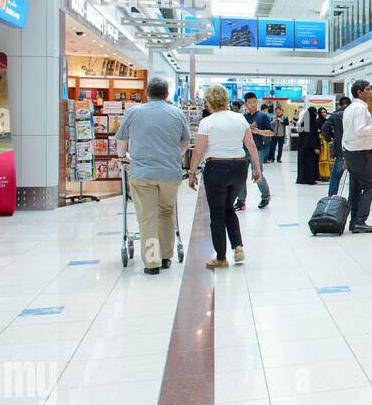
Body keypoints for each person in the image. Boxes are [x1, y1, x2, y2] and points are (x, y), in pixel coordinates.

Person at [112, 77, 190, 274]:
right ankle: (165, 257)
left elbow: (121, 141)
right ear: (166, 94)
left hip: (142, 173)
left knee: (148, 218)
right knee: (166, 212)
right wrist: (172, 155)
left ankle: (152, 262)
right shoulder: (177, 113)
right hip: (169, 174)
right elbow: (185, 142)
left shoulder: (134, 112)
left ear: (147, 93)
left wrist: (123, 157)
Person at [187, 84, 262, 269]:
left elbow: (198, 150)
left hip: (216, 168)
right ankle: (238, 246)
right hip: (239, 167)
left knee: (217, 213)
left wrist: (191, 172)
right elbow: (251, 145)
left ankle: (221, 258)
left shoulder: (208, 121)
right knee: (229, 207)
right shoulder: (239, 118)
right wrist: (257, 168)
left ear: (209, 101)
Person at [343, 81, 372, 234]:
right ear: (359, 92)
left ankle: (354, 222)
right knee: (369, 186)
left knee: (355, 188)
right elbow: (360, 131)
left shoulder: (350, 108)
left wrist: (346, 156)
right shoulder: (360, 109)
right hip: (360, 153)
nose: (371, 92)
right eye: (367, 90)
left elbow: (347, 133)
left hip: (351, 152)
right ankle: (360, 221)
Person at [236, 92, 272, 211]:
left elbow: (271, 132)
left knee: (258, 174)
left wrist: (258, 131)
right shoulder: (243, 118)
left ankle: (265, 197)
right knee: (241, 176)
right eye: (250, 102)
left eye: (254, 102)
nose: (253, 104)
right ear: (246, 104)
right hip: (243, 150)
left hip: (258, 150)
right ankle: (241, 201)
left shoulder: (263, 116)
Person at [321, 97, 353, 196]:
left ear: (339, 105)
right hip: (355, 149)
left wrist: (330, 139)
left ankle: (331, 197)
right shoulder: (353, 114)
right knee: (355, 178)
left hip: (340, 149)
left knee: (335, 176)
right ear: (350, 104)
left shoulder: (335, 115)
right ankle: (353, 200)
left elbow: (324, 129)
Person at [295, 104, 320, 184]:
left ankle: (302, 178)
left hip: (303, 148)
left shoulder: (304, 122)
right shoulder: (310, 123)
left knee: (303, 164)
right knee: (310, 164)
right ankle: (310, 179)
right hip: (310, 149)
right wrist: (315, 147)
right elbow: (311, 137)